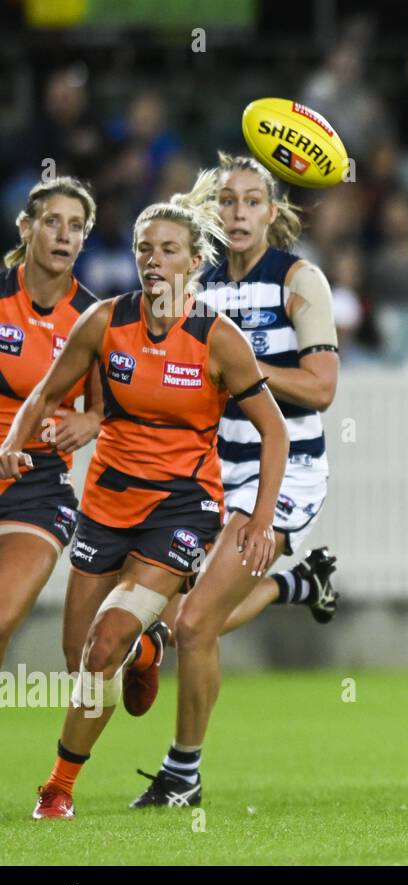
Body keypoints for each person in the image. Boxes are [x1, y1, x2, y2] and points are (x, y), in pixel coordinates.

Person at [5, 195, 288, 820]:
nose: (153, 261)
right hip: (106, 505)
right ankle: (149, 649)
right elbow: (47, 392)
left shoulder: (219, 339)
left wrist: (262, 521)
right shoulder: (105, 322)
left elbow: (275, 431)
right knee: (82, 657)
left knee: (103, 645)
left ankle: (57, 789)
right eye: (144, 249)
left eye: (168, 250)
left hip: (183, 509)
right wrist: (12, 443)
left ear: (195, 260)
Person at [130, 153, 341, 807]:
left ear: (271, 213)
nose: (238, 212)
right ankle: (294, 583)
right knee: (179, 614)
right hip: (207, 472)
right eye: (226, 201)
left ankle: (182, 775)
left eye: (252, 201)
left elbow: (322, 387)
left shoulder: (301, 281)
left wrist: (236, 367)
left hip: (285, 471)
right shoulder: (196, 284)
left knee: (192, 623)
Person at [0, 178, 101, 667]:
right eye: (52, 222)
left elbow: (111, 408)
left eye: (76, 227)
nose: (64, 235)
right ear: (25, 228)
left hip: (36, 485)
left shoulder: (95, 318)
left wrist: (93, 421)